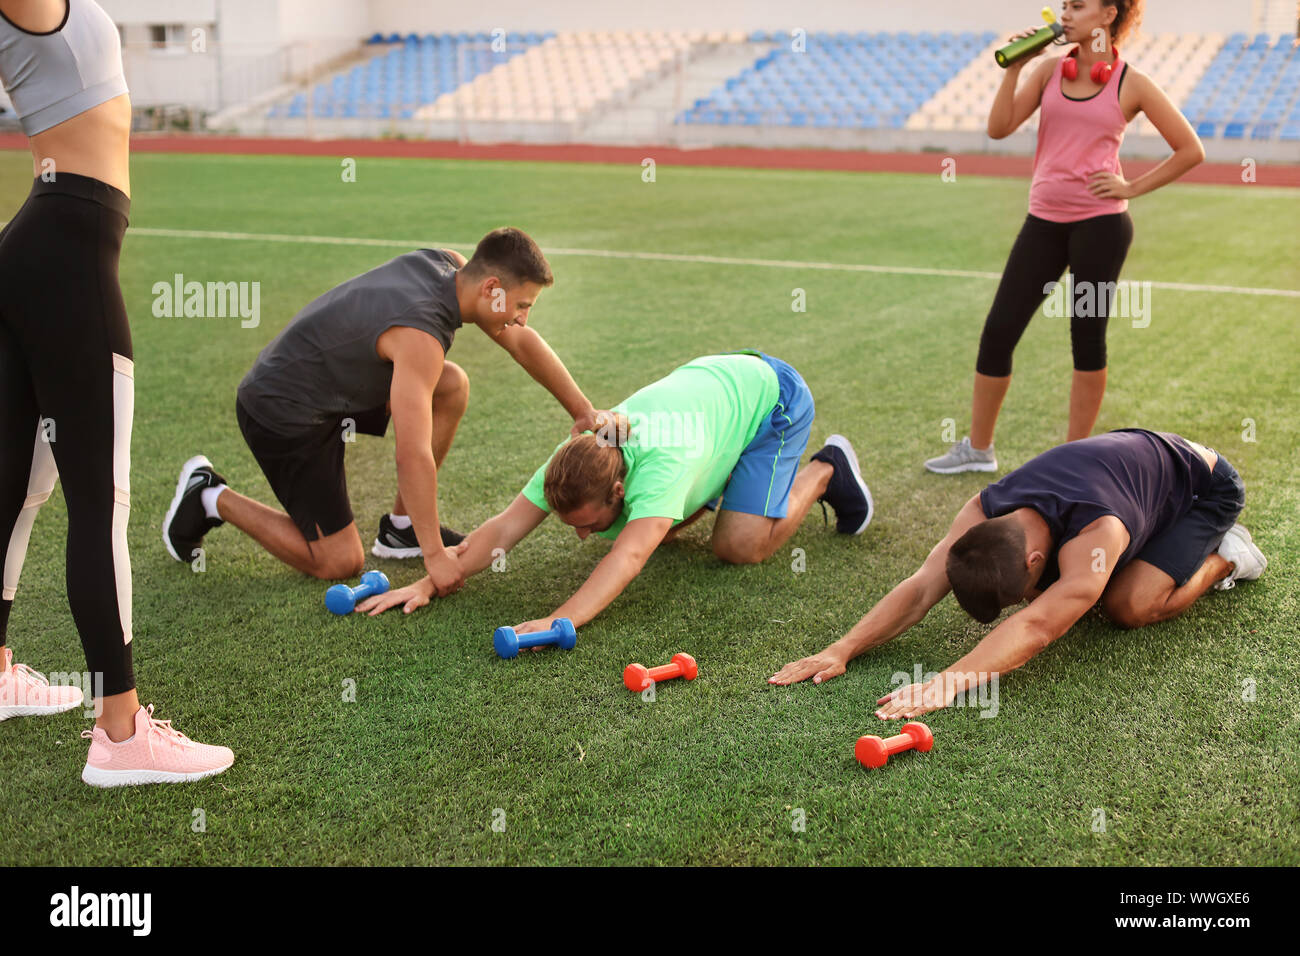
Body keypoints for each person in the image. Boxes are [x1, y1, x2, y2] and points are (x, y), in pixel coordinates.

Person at [0, 0, 233, 784]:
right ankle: (121, 731)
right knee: (97, 503)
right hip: (65, 250)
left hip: (44, 246)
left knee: (19, 489)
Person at [163, 228, 597, 595]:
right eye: (521, 306)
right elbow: (412, 454)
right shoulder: (419, 337)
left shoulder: (448, 264)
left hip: (334, 386)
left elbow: (522, 342)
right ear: (490, 288)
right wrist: (434, 557)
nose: (522, 319)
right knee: (339, 561)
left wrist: (582, 411)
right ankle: (208, 496)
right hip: (283, 410)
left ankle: (400, 528)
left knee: (450, 386)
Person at [357, 351, 875, 632]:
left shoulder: (663, 465)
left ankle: (829, 469)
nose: (582, 537)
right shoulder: (580, 457)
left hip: (772, 399)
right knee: (659, 528)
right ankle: (725, 482)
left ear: (621, 487)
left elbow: (627, 559)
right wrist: (432, 579)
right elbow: (506, 525)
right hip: (713, 396)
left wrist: (562, 618)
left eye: (588, 522)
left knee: (738, 547)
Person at [773, 429, 1266, 717]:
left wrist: (949, 681)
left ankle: (1228, 556)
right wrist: (843, 648)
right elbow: (924, 585)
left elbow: (1037, 626)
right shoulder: (982, 510)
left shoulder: (1099, 532)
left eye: (1026, 588)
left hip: (1203, 488)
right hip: (1133, 472)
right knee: (1077, 592)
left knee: (1126, 604)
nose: (1027, 600)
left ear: (1035, 562)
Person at [925, 0, 1205, 474]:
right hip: (1043, 221)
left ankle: (1075, 459)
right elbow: (998, 129)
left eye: (1077, 6)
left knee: (1086, 337)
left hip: (1101, 227)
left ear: (1109, 14)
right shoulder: (1049, 70)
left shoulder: (1130, 82)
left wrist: (1131, 186)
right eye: (1063, 6)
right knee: (998, 331)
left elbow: (1190, 149)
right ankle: (979, 448)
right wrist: (1013, 70)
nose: (1065, 14)